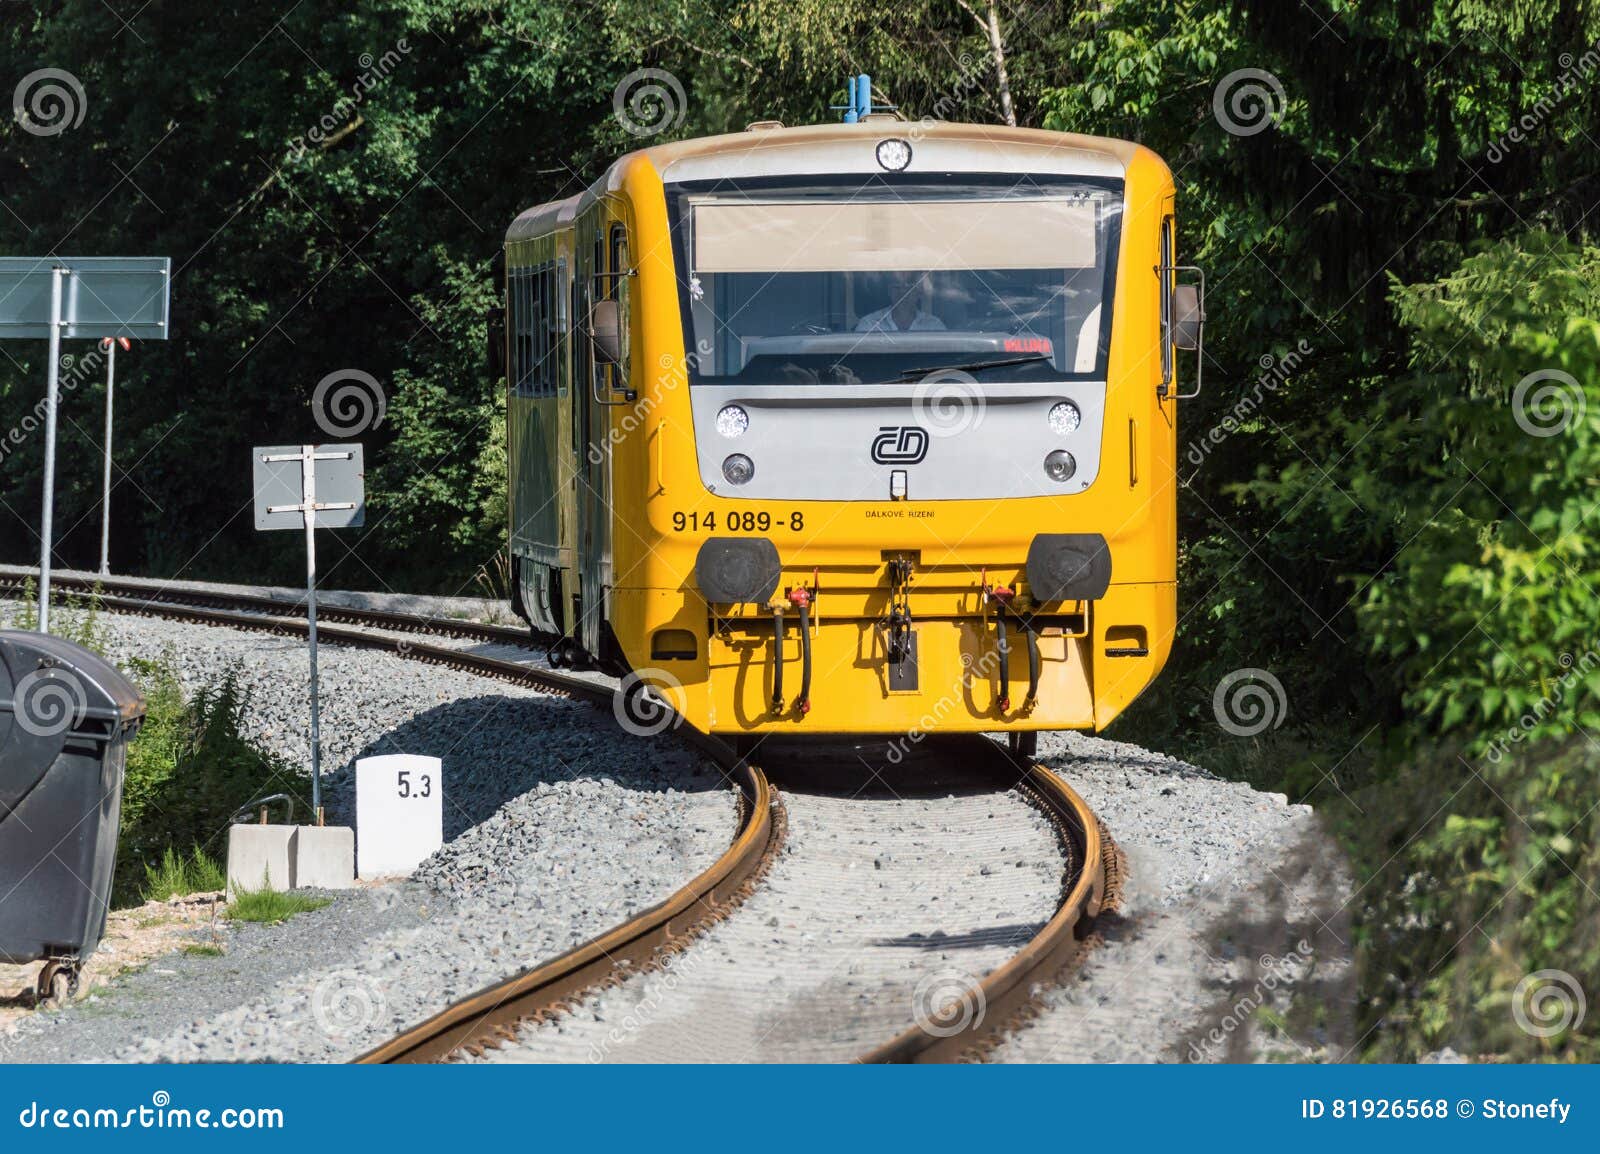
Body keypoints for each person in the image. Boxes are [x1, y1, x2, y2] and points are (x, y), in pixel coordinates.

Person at [854, 270, 946, 332]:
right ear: (889, 291)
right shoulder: (869, 323)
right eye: (896, 287)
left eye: (909, 287)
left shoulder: (934, 325)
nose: (902, 292)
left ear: (919, 293)